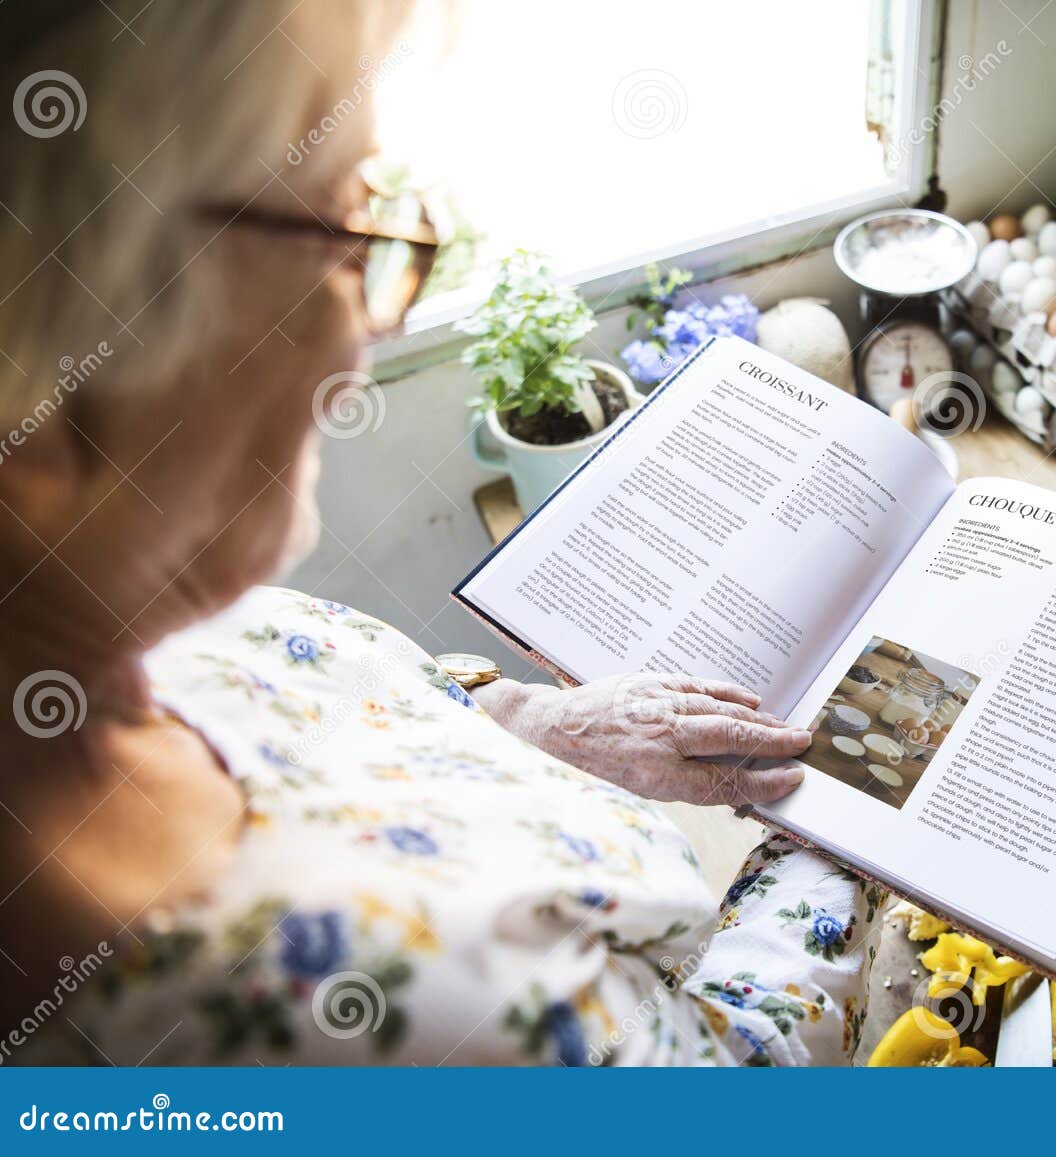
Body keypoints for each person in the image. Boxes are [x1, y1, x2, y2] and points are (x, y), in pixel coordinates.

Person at [0, 0, 884, 1066]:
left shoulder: (113, 620)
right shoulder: (373, 1015)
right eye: (343, 223)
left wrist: (527, 717)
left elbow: (340, 716)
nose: (374, 329)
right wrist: (849, 835)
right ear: (38, 356)